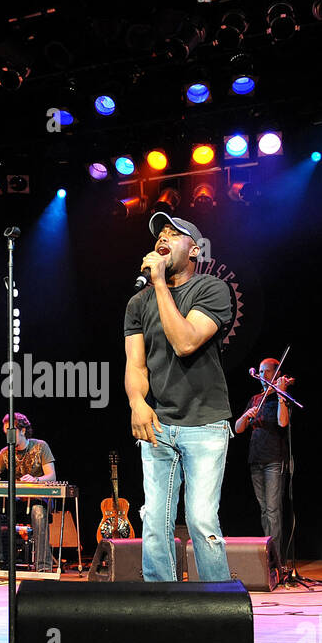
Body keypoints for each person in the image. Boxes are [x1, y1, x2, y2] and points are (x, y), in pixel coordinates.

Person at [124, 212, 234, 582]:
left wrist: (158, 285)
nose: (164, 238)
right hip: (159, 424)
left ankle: (219, 611)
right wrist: (138, 403)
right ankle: (162, 608)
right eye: (161, 233)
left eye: (175, 233)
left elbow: (185, 342)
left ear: (195, 249)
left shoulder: (212, 289)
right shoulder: (137, 303)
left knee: (201, 520)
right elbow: (136, 365)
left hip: (205, 422)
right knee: (154, 521)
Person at [0, 412, 57, 572]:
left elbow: (52, 476)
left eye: (11, 431)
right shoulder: (5, 452)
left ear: (22, 430)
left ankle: (43, 565)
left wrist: (36, 480)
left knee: (37, 510)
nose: (8, 435)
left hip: (37, 499)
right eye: (6, 432)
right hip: (16, 503)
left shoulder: (41, 446)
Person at [234, 357, 292, 569]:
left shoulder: (281, 397)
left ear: (276, 374)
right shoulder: (256, 399)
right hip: (255, 460)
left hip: (274, 460)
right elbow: (238, 428)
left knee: (273, 511)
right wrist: (246, 416)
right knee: (264, 511)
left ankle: (276, 561)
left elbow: (282, 422)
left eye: (267, 372)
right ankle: (271, 556)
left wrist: (281, 397)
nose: (263, 376)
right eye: (260, 371)